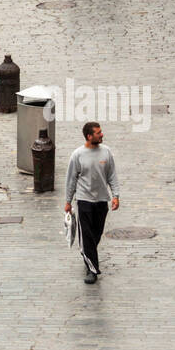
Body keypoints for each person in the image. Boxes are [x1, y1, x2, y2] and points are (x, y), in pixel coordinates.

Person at [65, 122, 121, 285]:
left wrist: (115, 195)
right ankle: (92, 270)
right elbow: (71, 180)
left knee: (95, 235)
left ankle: (88, 255)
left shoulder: (106, 152)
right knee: (87, 236)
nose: (102, 134)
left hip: (102, 201)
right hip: (84, 201)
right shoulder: (77, 155)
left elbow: (112, 175)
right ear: (89, 136)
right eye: (98, 133)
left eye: (101, 132)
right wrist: (68, 201)